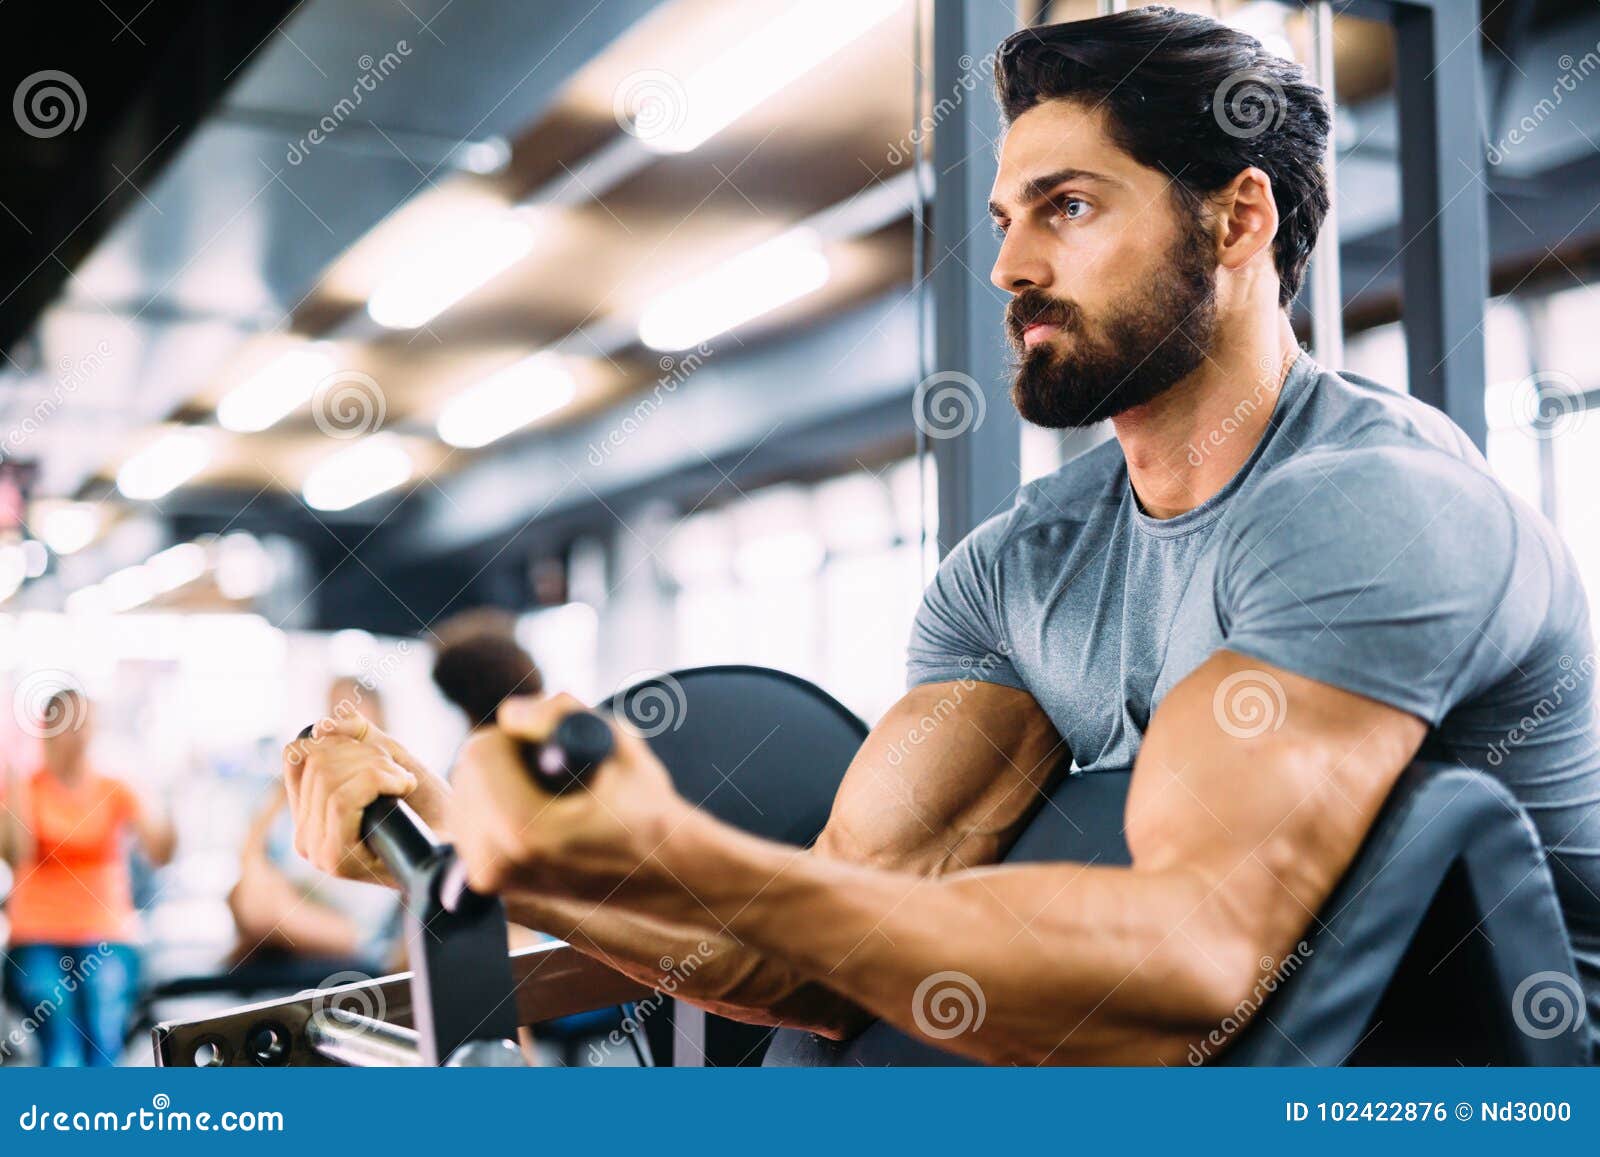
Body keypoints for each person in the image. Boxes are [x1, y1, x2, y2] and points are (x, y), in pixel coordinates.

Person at [281, 7, 1600, 1064]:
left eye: (1069, 207)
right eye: (1005, 219)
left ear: (1239, 218)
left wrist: (671, 848)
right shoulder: (1017, 570)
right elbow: (825, 951)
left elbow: (1192, 966)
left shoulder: (1376, 507)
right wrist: (494, 858)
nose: (1012, 266)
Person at [0, 688, 174, 1066]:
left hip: (107, 936)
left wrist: (157, 793)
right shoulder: (23, 789)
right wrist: (14, 785)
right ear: (47, 729)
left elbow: (161, 851)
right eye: (68, 726)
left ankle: (100, 1114)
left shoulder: (114, 789)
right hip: (36, 938)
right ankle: (61, 1114)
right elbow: (15, 854)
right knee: (58, 1029)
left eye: (85, 725)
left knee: (102, 1023)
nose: (79, 736)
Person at [227, 678, 396, 971]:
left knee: (254, 901)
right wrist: (282, 792)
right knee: (248, 890)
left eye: (351, 711)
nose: (336, 721)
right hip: (305, 906)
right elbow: (250, 855)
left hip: (358, 931)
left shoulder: (386, 783)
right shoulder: (307, 786)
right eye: (333, 710)